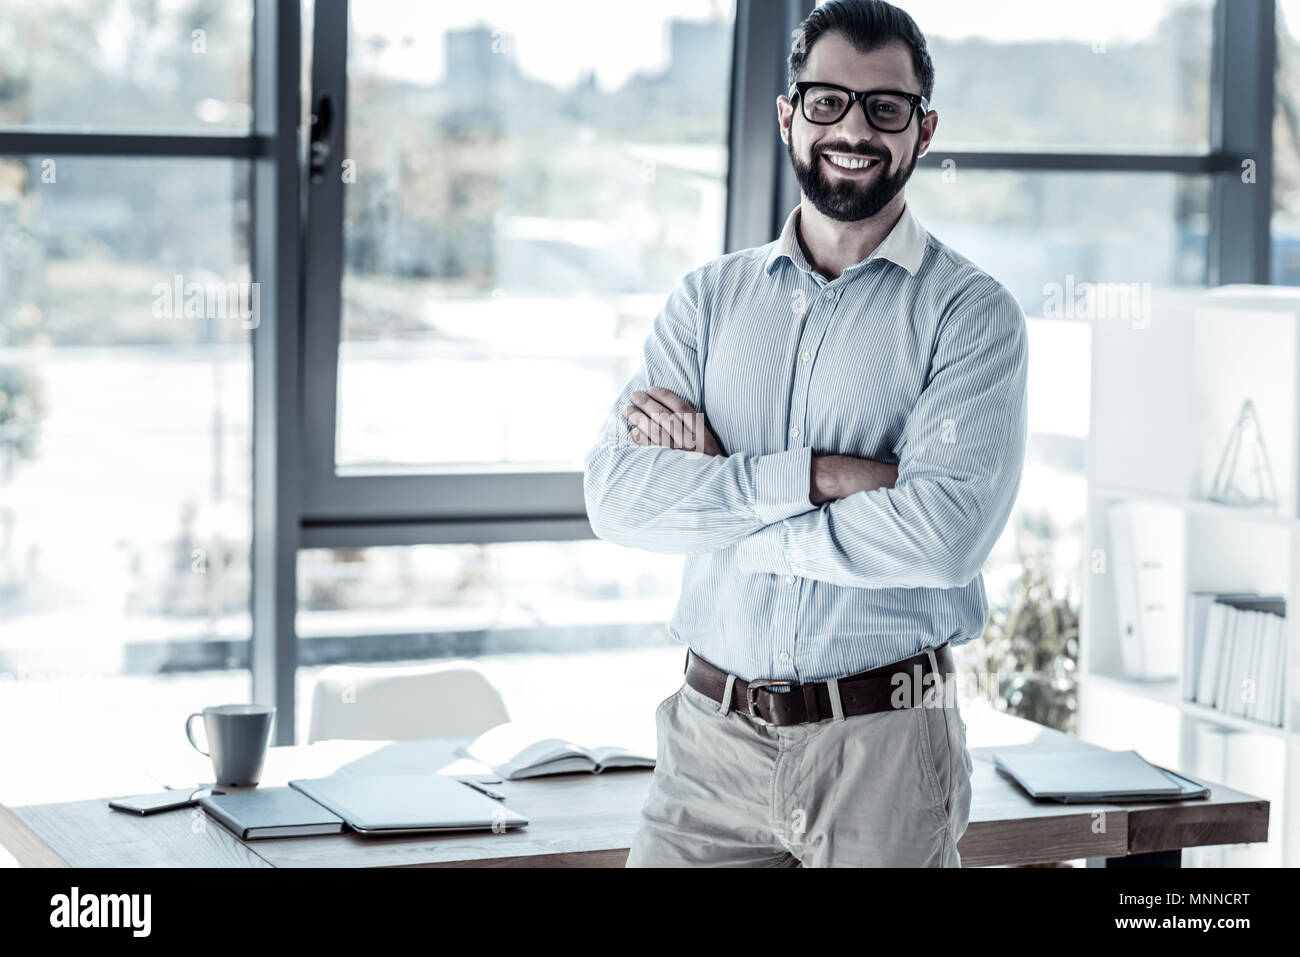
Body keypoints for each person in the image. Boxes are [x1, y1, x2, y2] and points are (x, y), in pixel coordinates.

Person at [583, 0, 1028, 867]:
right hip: (707, 750)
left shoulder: (971, 316)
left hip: (886, 750)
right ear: (789, 114)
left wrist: (730, 505)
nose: (852, 129)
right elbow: (618, 499)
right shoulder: (706, 303)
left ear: (922, 129)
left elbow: (943, 538)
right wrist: (823, 475)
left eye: (884, 108)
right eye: (826, 101)